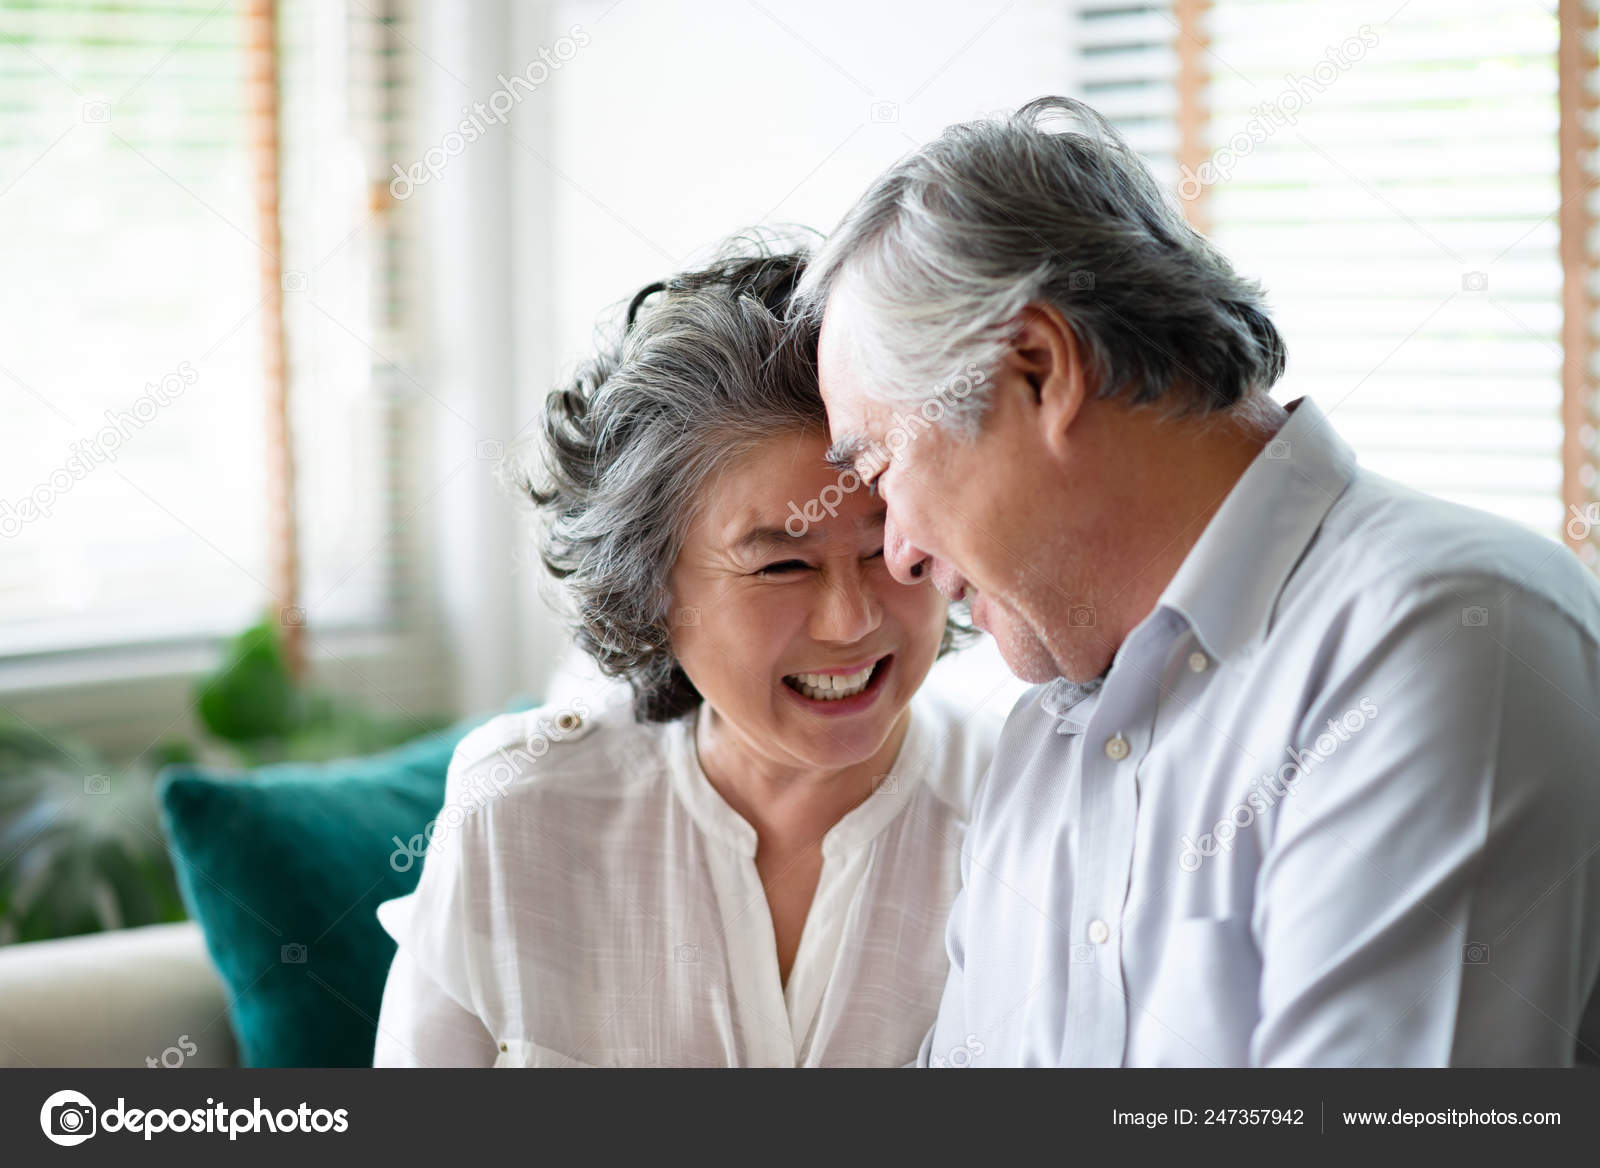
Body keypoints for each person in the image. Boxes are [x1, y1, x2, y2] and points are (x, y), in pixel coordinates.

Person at [795, 96, 1600, 1066]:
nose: (901, 555)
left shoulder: (1441, 636)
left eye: (881, 466)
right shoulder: (1044, 744)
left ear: (1040, 371)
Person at [372, 241, 1001, 1067]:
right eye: (782, 564)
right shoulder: (519, 809)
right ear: (651, 590)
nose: (850, 622)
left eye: (885, 545)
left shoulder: (1019, 811)